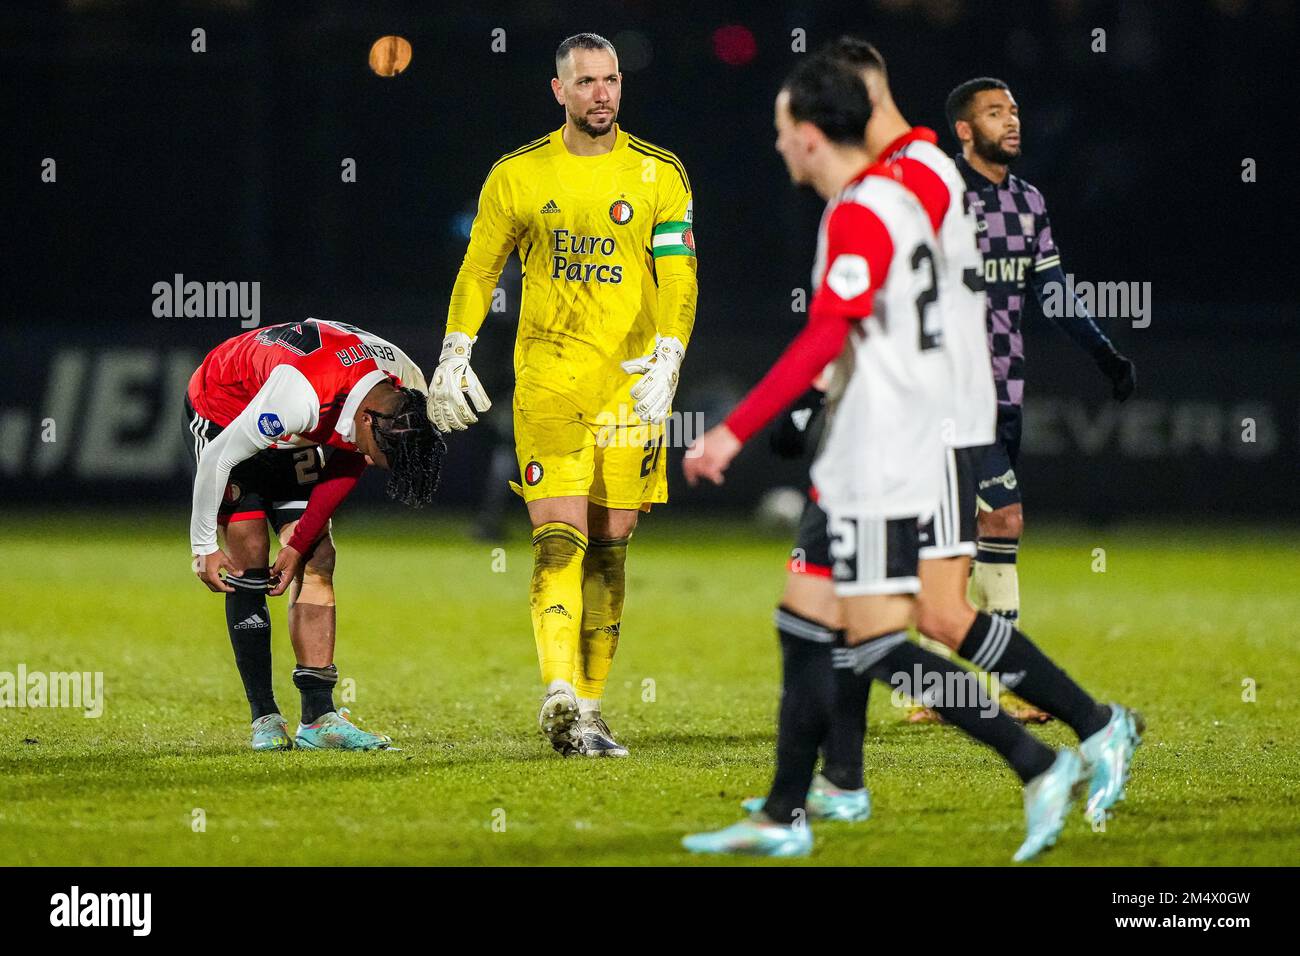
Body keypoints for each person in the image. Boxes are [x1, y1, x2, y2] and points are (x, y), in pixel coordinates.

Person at [680, 57, 1094, 862]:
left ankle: (1036, 761)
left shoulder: (865, 209)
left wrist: (735, 429)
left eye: (778, 133)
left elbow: (827, 333)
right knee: (803, 625)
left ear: (807, 137)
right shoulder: (895, 196)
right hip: (875, 451)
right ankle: (785, 813)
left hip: (880, 456)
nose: (775, 147)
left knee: (871, 642)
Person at [427, 33, 698, 757]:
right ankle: (558, 690)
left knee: (610, 548)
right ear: (559, 91)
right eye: (585, 82)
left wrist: (669, 353)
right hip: (548, 379)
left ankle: (590, 706)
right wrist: (456, 351)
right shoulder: (518, 174)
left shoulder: (659, 174)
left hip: (630, 388)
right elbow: (478, 269)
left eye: (610, 81)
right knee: (558, 538)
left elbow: (678, 275)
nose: (601, 94)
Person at [186, 318, 444, 751]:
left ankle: (319, 718)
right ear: (366, 420)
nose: (372, 459)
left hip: (302, 427)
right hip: (226, 411)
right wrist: (203, 547)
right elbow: (217, 457)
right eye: (376, 451)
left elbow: (348, 460)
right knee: (249, 553)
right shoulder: (298, 397)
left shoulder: (405, 390)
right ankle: (264, 717)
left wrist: (299, 543)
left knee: (318, 557)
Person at [944, 77, 1136, 631]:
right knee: (1001, 518)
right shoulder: (940, 200)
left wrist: (1105, 354)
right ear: (964, 130)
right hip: (950, 394)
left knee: (963, 535)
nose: (1011, 121)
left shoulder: (1029, 202)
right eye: (994, 113)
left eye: (1014, 111)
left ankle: (932, 686)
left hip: (1004, 391)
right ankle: (1004, 673)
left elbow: (1052, 293)